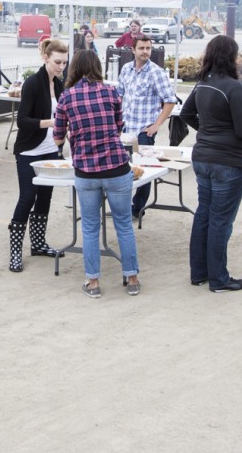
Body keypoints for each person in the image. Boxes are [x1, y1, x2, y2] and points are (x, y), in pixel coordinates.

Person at [54, 49, 141, 298]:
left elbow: (57, 137)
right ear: (97, 67)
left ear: (74, 69)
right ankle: (132, 279)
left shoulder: (66, 97)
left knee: (90, 227)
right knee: (124, 225)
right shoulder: (111, 92)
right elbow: (118, 127)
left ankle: (93, 283)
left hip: (86, 171)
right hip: (117, 167)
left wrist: (73, 135)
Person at [179, 35, 242, 292]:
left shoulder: (203, 84)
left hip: (203, 157)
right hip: (228, 161)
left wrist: (206, 131)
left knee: (204, 213)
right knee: (220, 220)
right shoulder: (234, 88)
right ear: (232, 57)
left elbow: (186, 114)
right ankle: (219, 279)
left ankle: (199, 273)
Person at [8, 38, 68, 272]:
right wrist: (50, 122)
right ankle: (15, 251)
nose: (61, 66)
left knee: (45, 197)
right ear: (45, 58)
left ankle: (39, 244)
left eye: (64, 62)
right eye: (57, 62)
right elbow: (22, 120)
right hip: (29, 150)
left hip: (50, 149)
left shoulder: (59, 84)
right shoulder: (32, 83)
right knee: (27, 197)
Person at [117, 34, 178, 219]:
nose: (145, 52)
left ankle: (137, 209)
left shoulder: (156, 72)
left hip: (144, 130)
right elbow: (119, 96)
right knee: (123, 169)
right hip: (126, 128)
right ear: (133, 49)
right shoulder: (126, 69)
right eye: (141, 48)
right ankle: (123, 208)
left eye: (148, 48)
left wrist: (156, 125)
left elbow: (170, 100)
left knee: (144, 170)